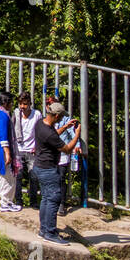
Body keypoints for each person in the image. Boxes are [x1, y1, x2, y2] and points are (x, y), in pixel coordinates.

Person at [33, 101, 82, 245]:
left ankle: (44, 230)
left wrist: (66, 127)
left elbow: (53, 135)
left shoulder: (41, 124)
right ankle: (50, 232)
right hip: (48, 169)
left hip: (40, 167)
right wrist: (76, 135)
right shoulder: (49, 133)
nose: (62, 119)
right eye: (61, 118)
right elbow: (67, 149)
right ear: (56, 115)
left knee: (46, 198)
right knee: (54, 199)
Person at [12, 93, 43, 208]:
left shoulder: (37, 114)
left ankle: (33, 201)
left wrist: (38, 145)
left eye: (25, 104)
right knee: (17, 176)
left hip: (32, 150)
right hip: (18, 149)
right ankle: (18, 201)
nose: (22, 106)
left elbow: (41, 130)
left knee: (34, 176)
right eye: (20, 104)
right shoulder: (16, 114)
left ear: (30, 103)